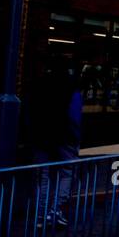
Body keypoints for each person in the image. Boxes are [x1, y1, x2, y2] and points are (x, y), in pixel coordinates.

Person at [27, 65, 83, 227]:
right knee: (66, 172)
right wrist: (75, 139)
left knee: (42, 177)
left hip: (42, 136)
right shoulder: (72, 90)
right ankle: (56, 210)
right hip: (65, 137)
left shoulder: (40, 86)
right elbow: (75, 118)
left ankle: (40, 214)